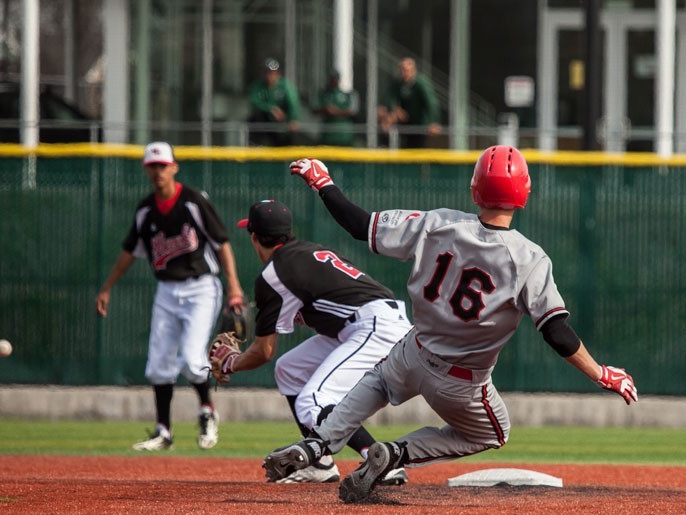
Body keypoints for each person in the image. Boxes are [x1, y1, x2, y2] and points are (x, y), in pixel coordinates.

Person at [264, 149, 639, 503]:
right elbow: (556, 332)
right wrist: (601, 373)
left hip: (415, 350)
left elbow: (360, 226)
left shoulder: (437, 223)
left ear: (475, 188)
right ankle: (396, 453)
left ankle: (318, 443)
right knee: (495, 433)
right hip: (461, 380)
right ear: (524, 193)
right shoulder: (529, 258)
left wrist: (323, 183)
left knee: (377, 380)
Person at [217, 199, 412, 484]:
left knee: (314, 400)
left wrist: (231, 363)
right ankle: (319, 462)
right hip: (369, 323)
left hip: (373, 326)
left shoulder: (273, 274)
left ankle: (379, 461)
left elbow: (263, 351)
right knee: (290, 369)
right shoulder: (309, 251)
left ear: (254, 237)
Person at [95, 141, 245, 451]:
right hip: (166, 289)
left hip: (201, 286)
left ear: (174, 167)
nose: (157, 172)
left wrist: (234, 286)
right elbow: (130, 252)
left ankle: (207, 411)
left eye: (162, 166)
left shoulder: (192, 201)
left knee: (192, 358)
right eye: (152, 166)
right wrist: (107, 287)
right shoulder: (146, 210)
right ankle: (164, 431)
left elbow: (222, 243)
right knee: (158, 365)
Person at [377, 57, 442, 148]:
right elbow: (388, 100)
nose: (405, 73)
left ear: (413, 70)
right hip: (405, 122)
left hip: (420, 125)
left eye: (407, 70)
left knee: (417, 148)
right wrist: (389, 113)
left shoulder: (421, 83)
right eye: (402, 70)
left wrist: (433, 121)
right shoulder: (398, 84)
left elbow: (431, 103)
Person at [247, 58, 302, 146]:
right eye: (267, 73)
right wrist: (271, 109)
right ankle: (255, 147)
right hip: (265, 122)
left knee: (290, 136)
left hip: (282, 123)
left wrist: (293, 119)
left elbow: (293, 104)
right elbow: (254, 101)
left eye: (273, 73)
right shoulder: (258, 86)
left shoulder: (285, 86)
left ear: (278, 73)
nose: (270, 76)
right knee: (254, 119)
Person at [313, 70, 359, 147]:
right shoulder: (324, 94)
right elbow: (314, 109)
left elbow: (353, 111)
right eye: (332, 79)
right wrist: (326, 109)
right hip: (327, 134)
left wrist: (335, 111)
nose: (334, 81)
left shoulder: (347, 94)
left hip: (344, 135)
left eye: (336, 79)